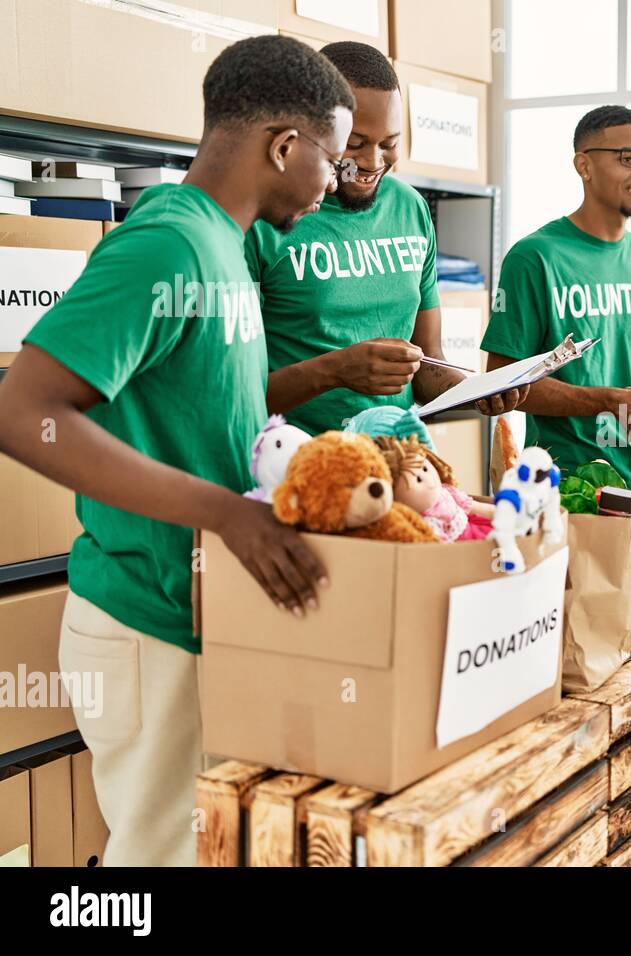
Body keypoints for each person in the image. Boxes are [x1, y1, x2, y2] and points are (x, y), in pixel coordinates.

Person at [0, 35, 355, 866]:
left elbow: (207, 411)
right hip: (143, 619)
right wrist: (223, 515)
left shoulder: (225, 247)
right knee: (159, 863)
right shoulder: (165, 243)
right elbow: (24, 413)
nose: (336, 183)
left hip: (195, 615)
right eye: (332, 161)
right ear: (283, 144)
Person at [245, 41, 526, 437]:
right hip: (296, 468)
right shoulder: (266, 218)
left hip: (399, 461)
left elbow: (428, 365)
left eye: (390, 144)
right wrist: (335, 371)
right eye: (355, 143)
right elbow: (235, 393)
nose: (374, 162)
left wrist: (473, 390)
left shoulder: (410, 208)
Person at [480, 105, 631, 502]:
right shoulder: (536, 256)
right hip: (569, 491)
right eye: (629, 158)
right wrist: (611, 400)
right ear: (583, 165)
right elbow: (504, 378)